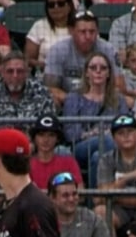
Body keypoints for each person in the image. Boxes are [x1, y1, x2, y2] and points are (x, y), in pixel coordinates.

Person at [61, 51, 129, 183]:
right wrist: (96, 134)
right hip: (80, 148)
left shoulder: (119, 100)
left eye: (103, 68)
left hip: (112, 148)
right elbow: (71, 134)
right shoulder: (74, 98)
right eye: (93, 68)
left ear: (109, 73)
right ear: (86, 73)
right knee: (107, 140)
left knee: (98, 157)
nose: (98, 71)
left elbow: (125, 127)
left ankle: (94, 202)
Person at [45, 11, 120, 107]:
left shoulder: (108, 49)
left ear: (97, 31)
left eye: (92, 32)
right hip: (67, 101)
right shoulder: (58, 50)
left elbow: (118, 86)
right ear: (71, 31)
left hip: (102, 101)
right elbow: (50, 88)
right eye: (83, 32)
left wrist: (94, 101)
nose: (88, 36)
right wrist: (76, 102)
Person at [0, 52, 57, 141]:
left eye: (20, 71)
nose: (15, 75)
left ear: (27, 73)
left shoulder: (42, 92)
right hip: (0, 148)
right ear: (2, 73)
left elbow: (48, 129)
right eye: (10, 71)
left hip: (35, 148)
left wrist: (30, 147)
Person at [49, 171, 112, 237]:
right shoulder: (43, 223)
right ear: (52, 198)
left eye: (74, 194)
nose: (71, 199)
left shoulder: (93, 220)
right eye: (65, 195)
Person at [24, 0, 75, 72]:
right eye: (51, 5)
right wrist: (47, 66)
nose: (56, 7)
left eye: (60, 3)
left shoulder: (80, 26)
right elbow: (28, 59)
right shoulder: (39, 26)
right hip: (46, 73)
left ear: (69, 6)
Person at [28, 115, 83, 190]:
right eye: (41, 135)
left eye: (51, 135)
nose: (46, 140)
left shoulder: (69, 162)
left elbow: (80, 191)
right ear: (34, 138)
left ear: (57, 138)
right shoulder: (26, 165)